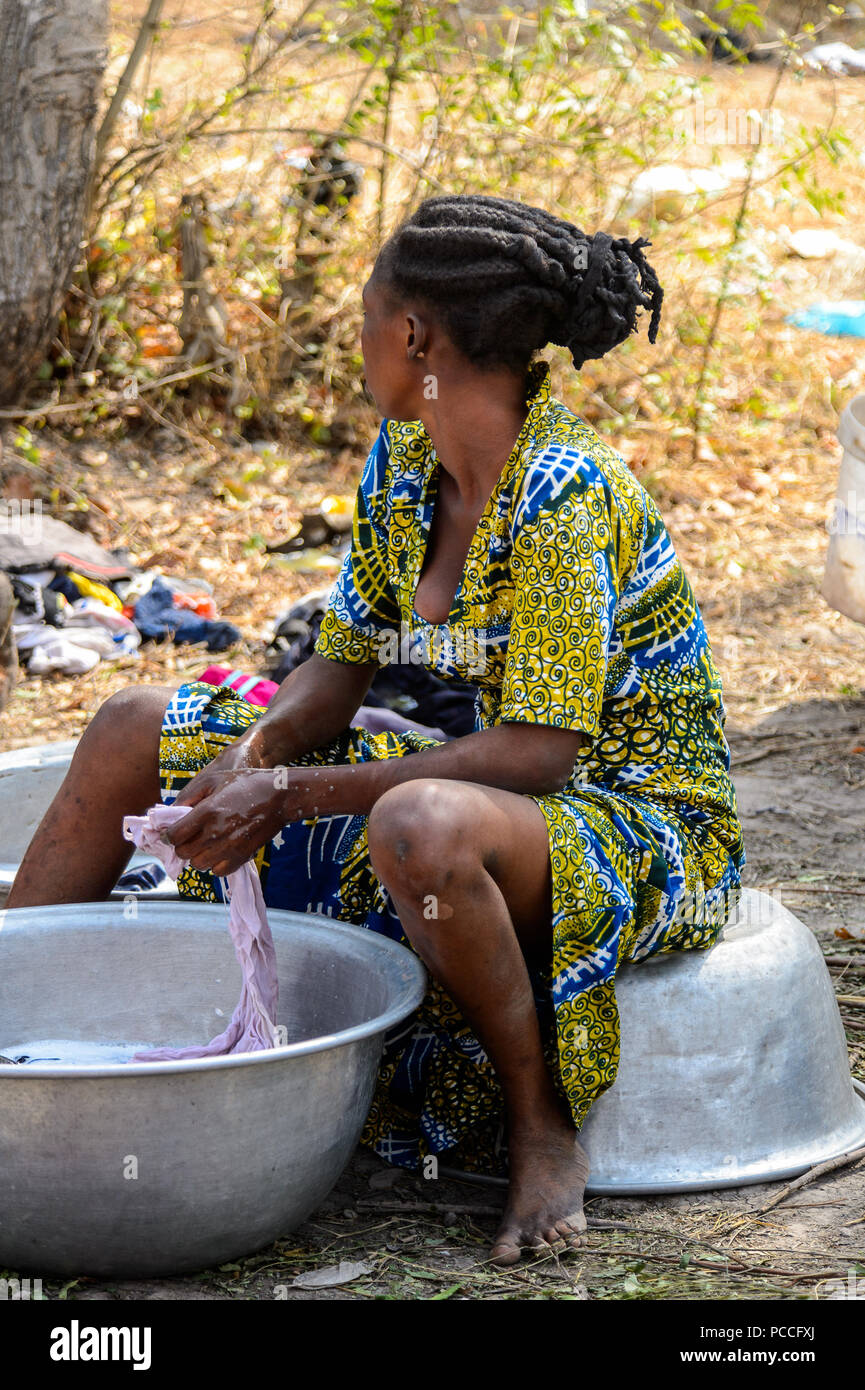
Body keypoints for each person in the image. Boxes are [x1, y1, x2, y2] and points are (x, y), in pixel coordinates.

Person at [8, 194, 746, 1266]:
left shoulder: (561, 493)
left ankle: (540, 1124)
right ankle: (11, 1006)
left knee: (417, 824)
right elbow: (336, 670)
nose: (357, 345)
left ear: (411, 338)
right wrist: (249, 757)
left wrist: (293, 795)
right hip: (508, 803)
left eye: (364, 321)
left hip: (640, 819)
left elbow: (543, 754)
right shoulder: (406, 465)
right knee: (137, 721)